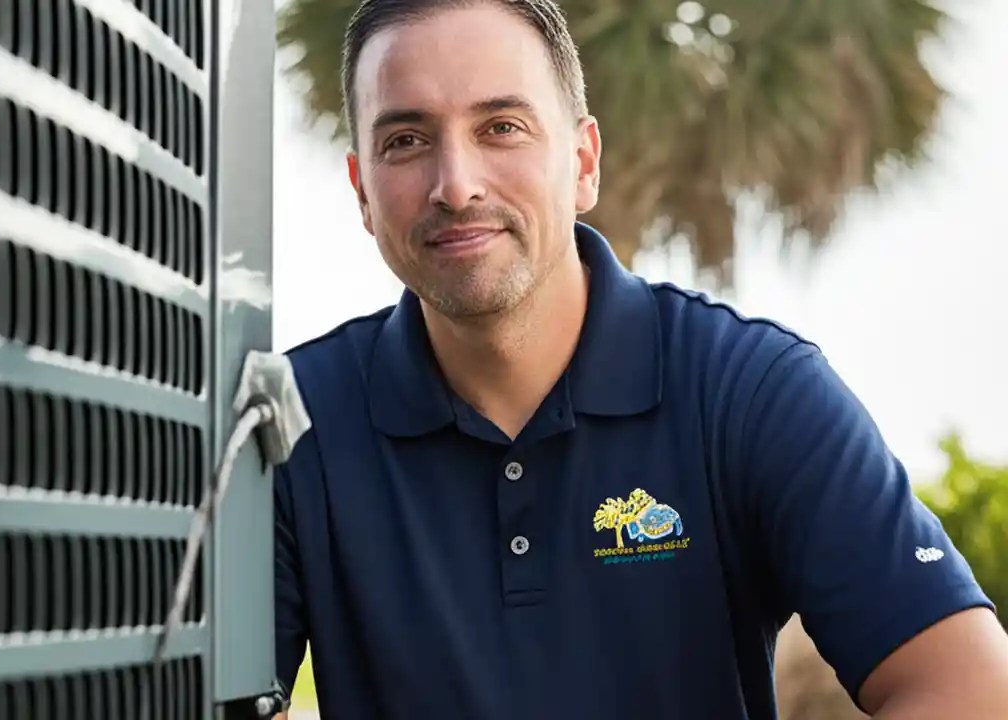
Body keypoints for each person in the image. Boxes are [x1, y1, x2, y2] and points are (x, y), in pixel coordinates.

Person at [271, 1, 1008, 717]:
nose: (456, 183)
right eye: (406, 140)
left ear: (584, 162)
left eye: (502, 127)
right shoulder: (289, 423)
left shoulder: (748, 390)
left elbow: (972, 688)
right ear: (362, 190)